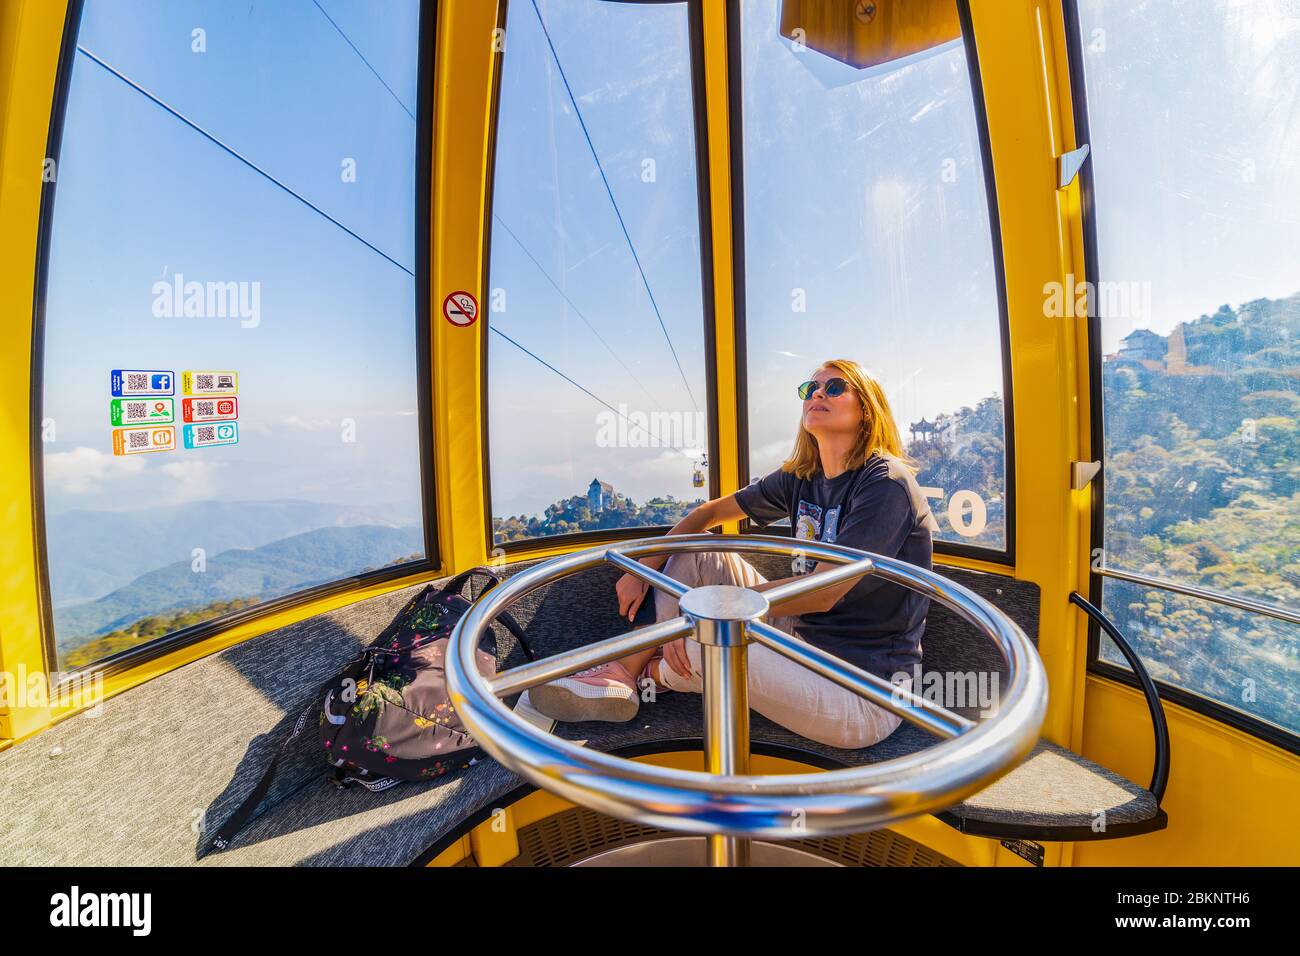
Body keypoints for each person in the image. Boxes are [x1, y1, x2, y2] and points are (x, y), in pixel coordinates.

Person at [528, 358, 939, 749]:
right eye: (809, 388)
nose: (817, 394)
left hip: (860, 690)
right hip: (798, 637)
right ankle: (627, 671)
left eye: (834, 387)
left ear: (867, 409)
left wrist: (712, 611)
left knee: (708, 638)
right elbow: (707, 514)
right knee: (697, 555)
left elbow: (826, 591)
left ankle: (648, 672)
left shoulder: (884, 484)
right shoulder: (803, 478)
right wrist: (642, 569)